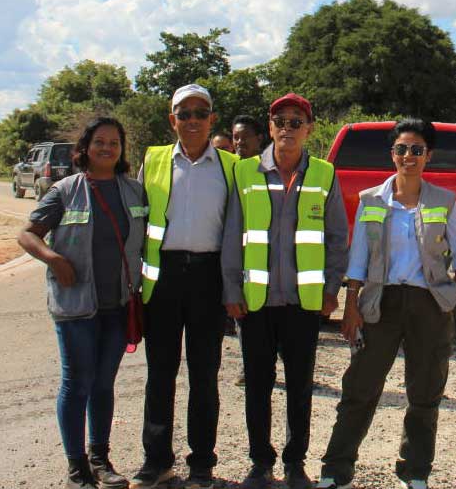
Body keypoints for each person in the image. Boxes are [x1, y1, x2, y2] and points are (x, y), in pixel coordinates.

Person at [316, 118, 456, 489]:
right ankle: (336, 470)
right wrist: (350, 304)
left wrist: (453, 295)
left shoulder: (443, 200)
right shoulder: (372, 200)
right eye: (402, 149)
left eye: (417, 150)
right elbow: (358, 258)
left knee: (425, 393)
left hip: (428, 305)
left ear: (428, 156)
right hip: (380, 304)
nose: (408, 156)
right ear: (392, 154)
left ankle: (415, 471)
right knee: (360, 389)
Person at [221, 92, 349, 489]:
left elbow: (336, 237)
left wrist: (331, 290)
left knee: (300, 387)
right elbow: (231, 236)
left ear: (309, 128)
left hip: (302, 303)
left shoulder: (324, 174)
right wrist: (231, 289)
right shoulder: (244, 173)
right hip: (256, 301)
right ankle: (260, 463)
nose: (288, 128)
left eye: (297, 122)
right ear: (270, 127)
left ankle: (296, 463)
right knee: (257, 386)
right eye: (281, 121)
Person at [18, 117, 146, 489]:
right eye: (100, 142)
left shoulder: (134, 191)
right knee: (77, 384)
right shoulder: (64, 191)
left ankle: (100, 460)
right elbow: (27, 234)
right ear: (86, 148)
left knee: (103, 384)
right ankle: (77, 469)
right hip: (76, 308)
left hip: (119, 304)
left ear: (122, 150)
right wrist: (53, 259)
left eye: (114, 143)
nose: (107, 148)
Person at [131, 84, 238, 489]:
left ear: (212, 119)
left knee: (204, 375)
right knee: (160, 373)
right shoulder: (153, 160)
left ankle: (201, 465)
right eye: (184, 113)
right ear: (171, 118)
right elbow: (137, 221)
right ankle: (156, 461)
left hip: (210, 278)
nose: (192, 120)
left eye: (200, 112)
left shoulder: (232, 167)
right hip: (164, 278)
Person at [228, 114, 268, 386]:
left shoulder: (269, 170)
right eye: (236, 137)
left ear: (260, 139)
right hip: (236, 256)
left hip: (263, 257)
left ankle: (265, 365)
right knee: (243, 314)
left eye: (245, 136)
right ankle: (248, 366)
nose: (240, 141)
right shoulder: (228, 169)